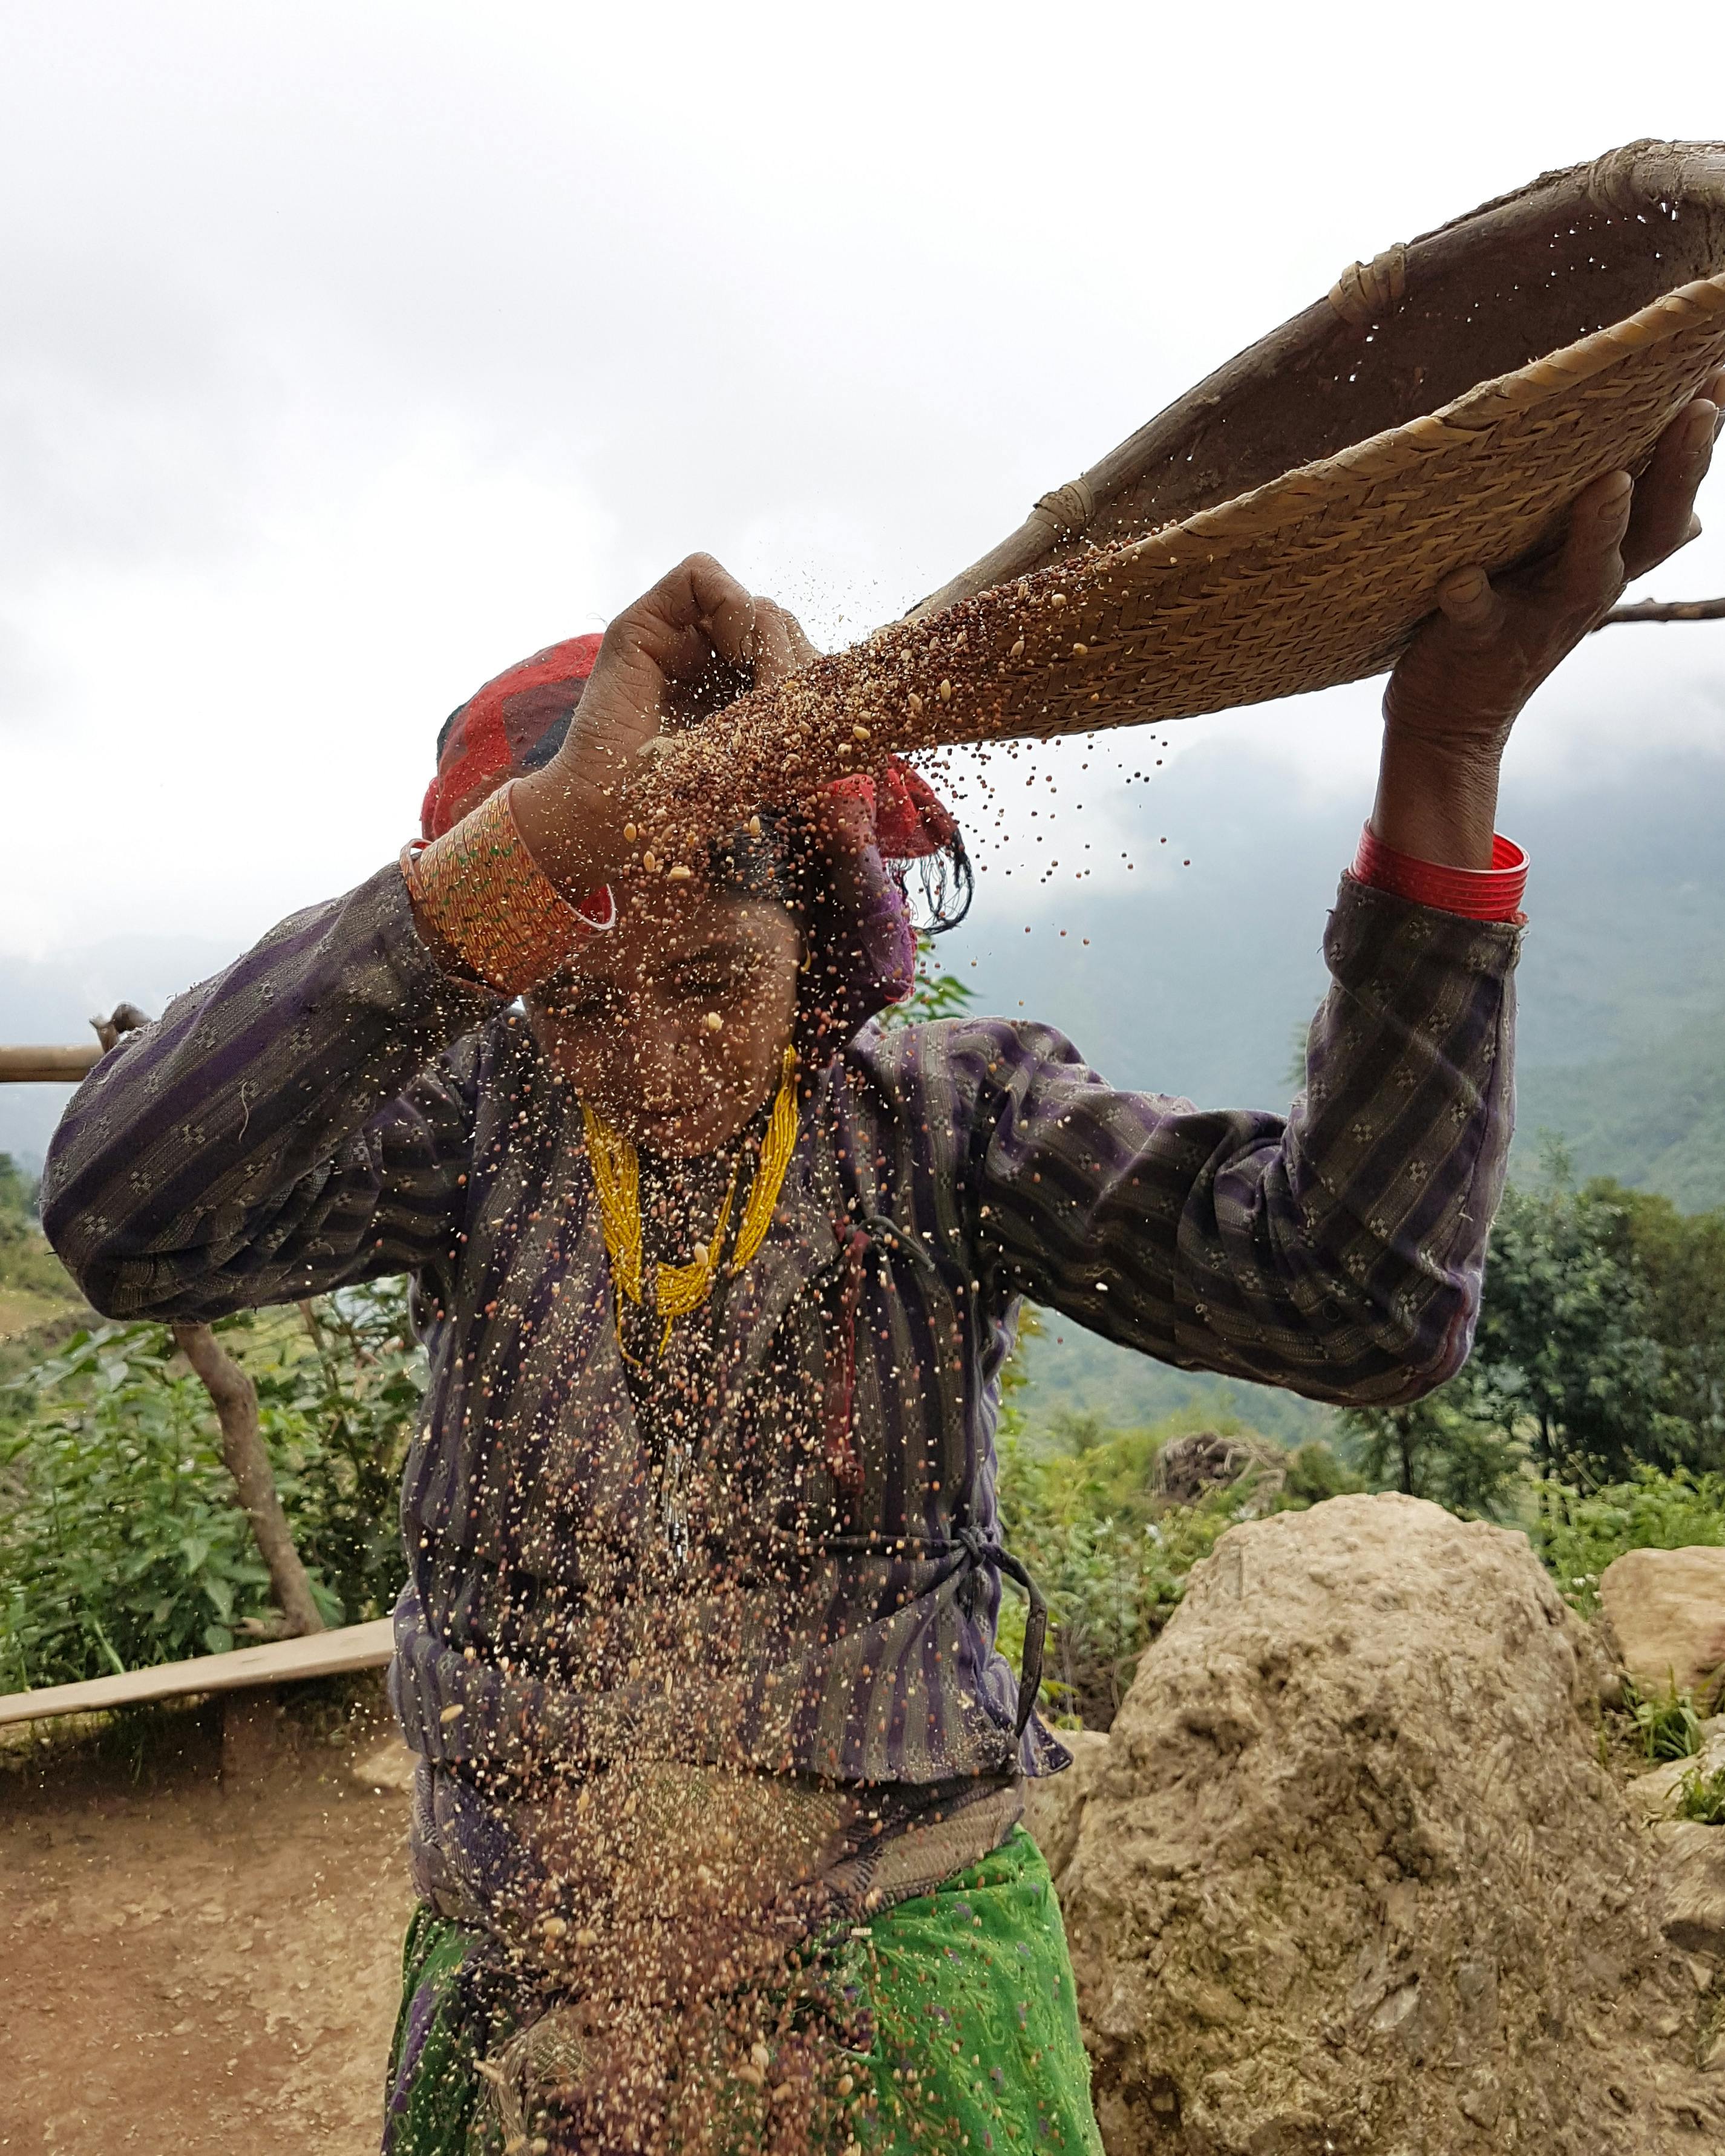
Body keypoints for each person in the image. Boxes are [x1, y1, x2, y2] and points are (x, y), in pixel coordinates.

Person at [42, 384, 1720, 2154]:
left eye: (714, 982)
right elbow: (123, 1222)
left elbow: (1361, 1300)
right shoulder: (474, 1130)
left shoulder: (949, 1124)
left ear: (827, 951)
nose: (650, 1058)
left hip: (903, 1945)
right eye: (581, 1000)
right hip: (532, 1960)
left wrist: (1443, 752)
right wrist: (516, 859)